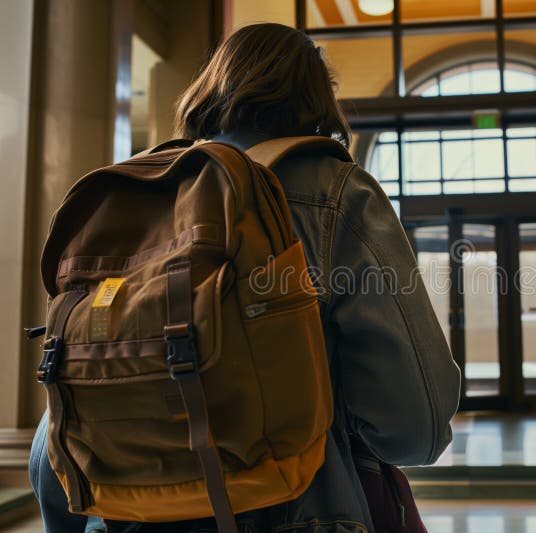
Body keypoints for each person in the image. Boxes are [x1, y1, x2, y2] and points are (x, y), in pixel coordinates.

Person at [28, 22, 461, 533]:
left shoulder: (140, 196)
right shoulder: (335, 194)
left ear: (212, 86)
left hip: (122, 519)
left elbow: (49, 455)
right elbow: (415, 427)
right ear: (318, 97)